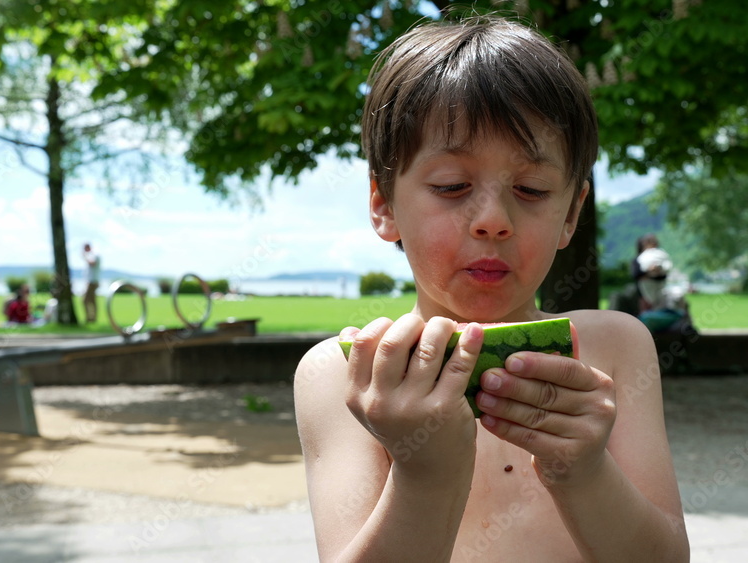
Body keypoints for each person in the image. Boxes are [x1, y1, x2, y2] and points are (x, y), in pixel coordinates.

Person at [294, 16, 689, 562]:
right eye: (452, 187)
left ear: (572, 212)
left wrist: (584, 470)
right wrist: (425, 476)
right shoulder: (346, 376)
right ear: (384, 205)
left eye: (531, 189)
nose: (492, 220)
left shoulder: (615, 349)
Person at [83, 243, 101, 323]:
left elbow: (92, 264)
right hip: (92, 281)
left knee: (85, 300)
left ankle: (89, 318)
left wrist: (85, 257)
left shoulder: (94, 255)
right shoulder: (92, 255)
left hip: (92, 281)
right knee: (92, 300)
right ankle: (93, 318)